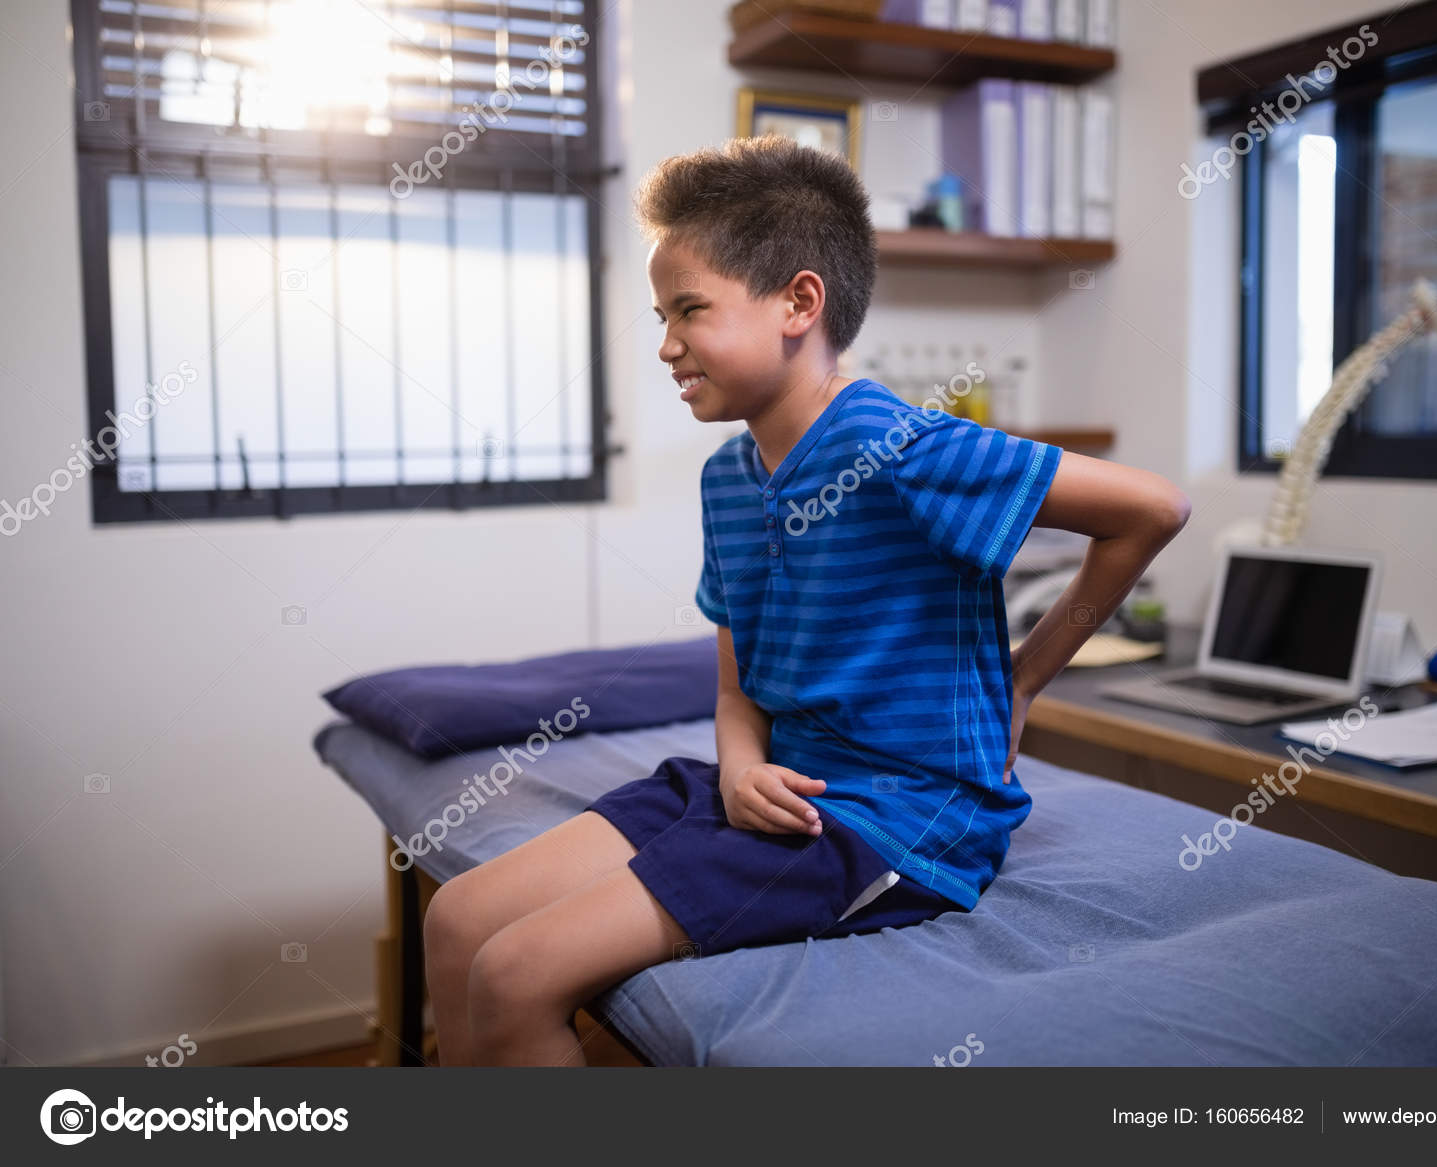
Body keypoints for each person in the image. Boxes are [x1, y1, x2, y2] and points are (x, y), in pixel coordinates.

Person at [422, 135, 1190, 1066]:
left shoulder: (904, 448)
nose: (665, 344)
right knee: (457, 918)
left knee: (517, 972)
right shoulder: (727, 480)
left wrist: (1021, 683)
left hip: (889, 821)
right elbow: (736, 685)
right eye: (662, 315)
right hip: (777, 784)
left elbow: (1153, 509)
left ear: (798, 302)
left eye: (690, 310)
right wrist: (740, 766)